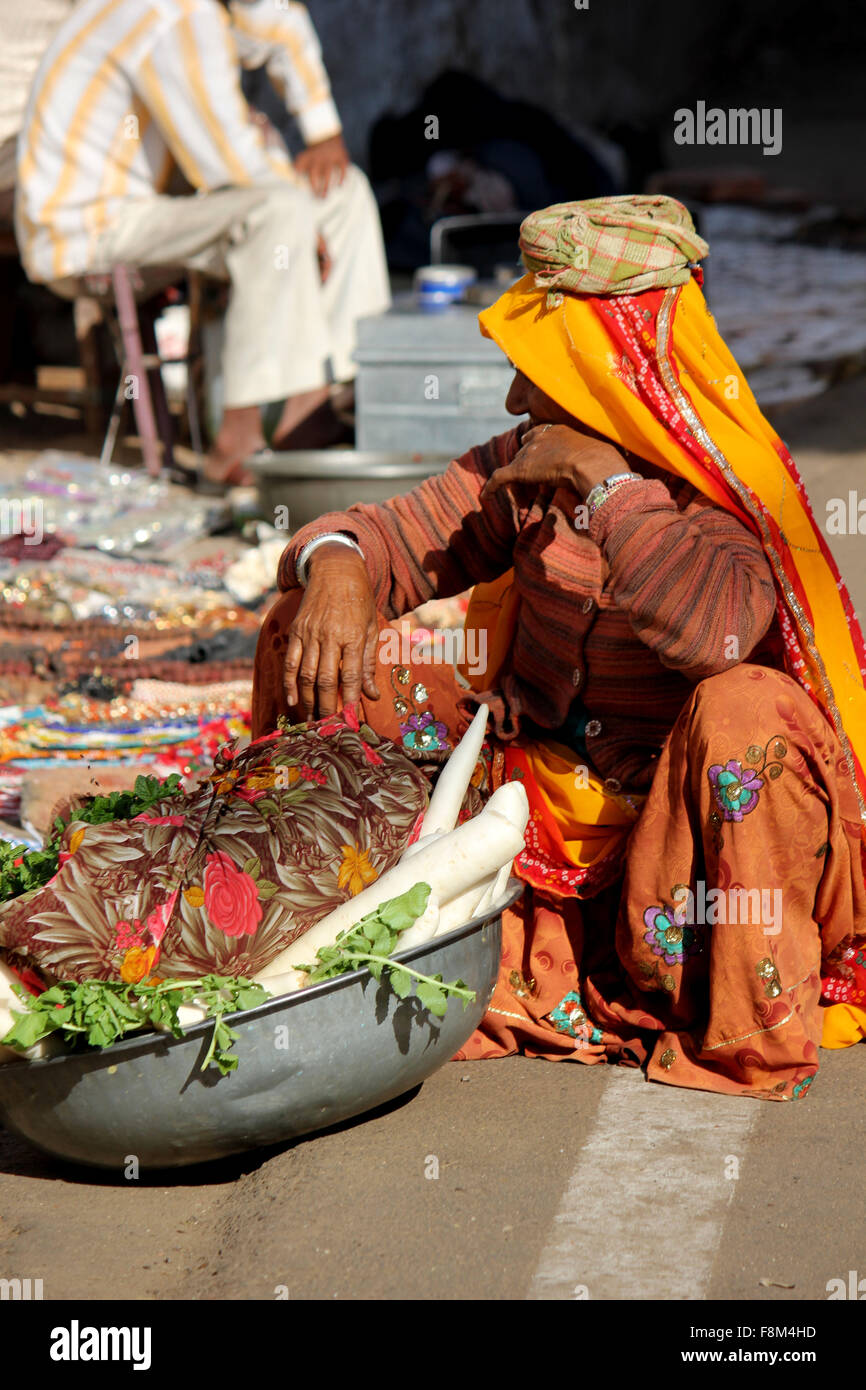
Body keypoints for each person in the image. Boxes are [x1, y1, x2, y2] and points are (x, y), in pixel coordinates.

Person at [251, 194, 866, 1101]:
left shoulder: (730, 490)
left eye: (534, 372)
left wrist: (606, 488)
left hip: (686, 859)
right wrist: (337, 562)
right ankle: (284, 929)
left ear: (604, 376)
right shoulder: (527, 465)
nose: (512, 397)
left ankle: (740, 1027)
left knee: (751, 715)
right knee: (301, 630)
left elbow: (710, 635)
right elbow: (390, 535)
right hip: (535, 793)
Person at [15, 0, 390, 482]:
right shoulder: (175, 12)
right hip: (84, 227)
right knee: (277, 211)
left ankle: (326, 392)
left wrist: (323, 133)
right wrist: (298, 209)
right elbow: (226, 162)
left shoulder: (213, 10)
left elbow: (279, 26)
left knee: (343, 189)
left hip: (146, 211)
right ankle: (238, 433)